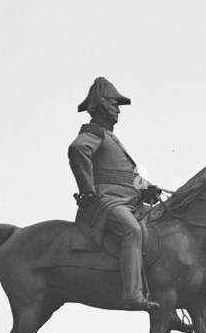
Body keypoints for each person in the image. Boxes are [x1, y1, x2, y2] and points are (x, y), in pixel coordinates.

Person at [68, 77, 161, 311]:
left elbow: (125, 176)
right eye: (114, 103)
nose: (118, 109)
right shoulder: (95, 133)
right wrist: (88, 190)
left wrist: (146, 186)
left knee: (159, 229)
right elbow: (78, 149)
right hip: (107, 202)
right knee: (132, 231)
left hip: (128, 201)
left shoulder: (111, 138)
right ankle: (131, 295)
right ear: (100, 104)